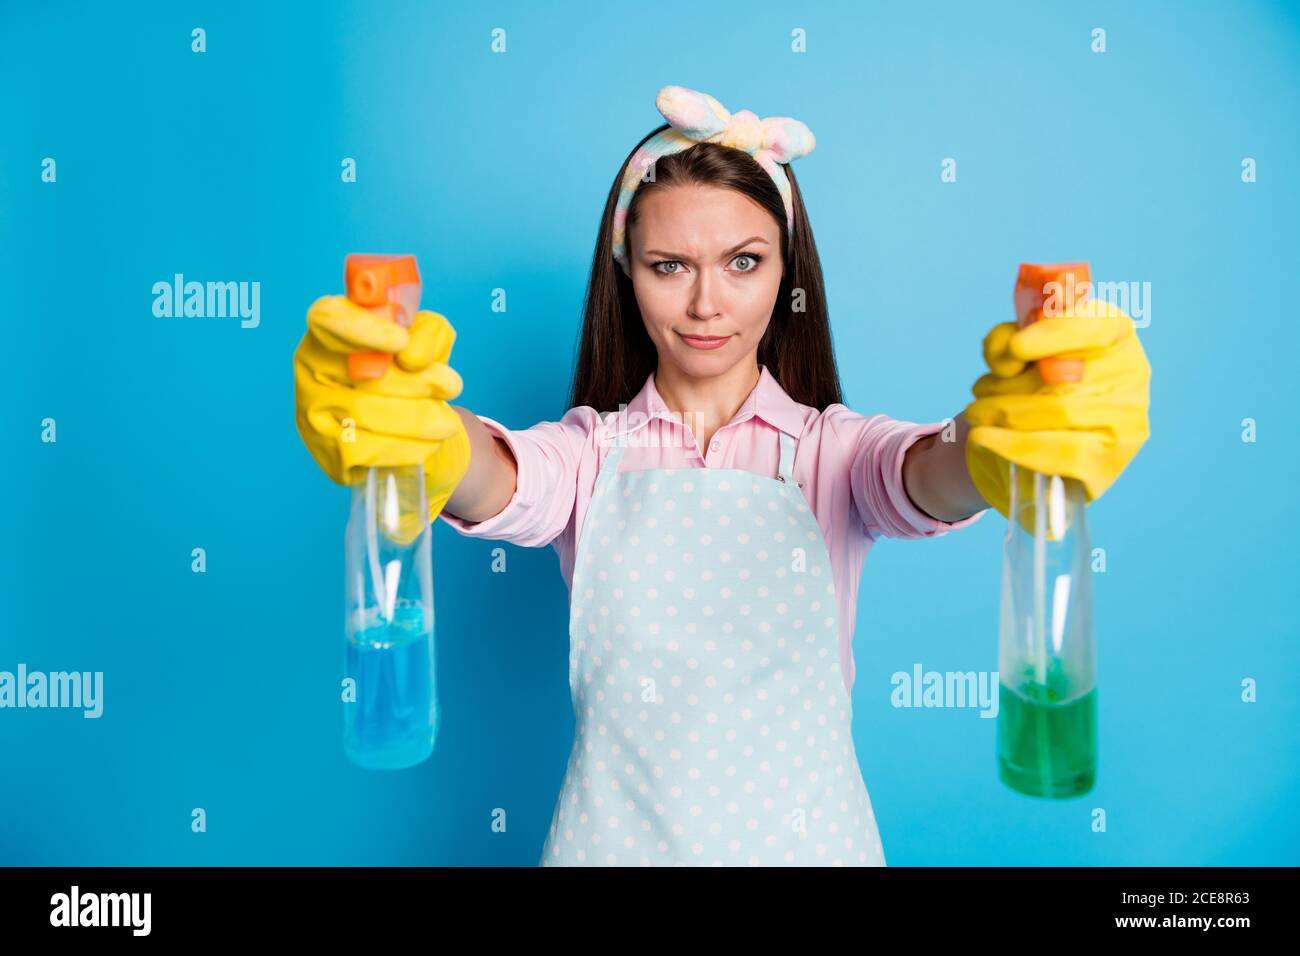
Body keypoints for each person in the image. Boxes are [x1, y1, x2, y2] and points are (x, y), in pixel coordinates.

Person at [294, 85, 1151, 866]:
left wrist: (1001, 441)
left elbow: (926, 473)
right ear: (626, 271)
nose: (708, 305)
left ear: (787, 276)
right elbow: (503, 479)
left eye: (744, 262)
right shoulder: (588, 455)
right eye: (670, 266)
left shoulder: (833, 454)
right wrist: (427, 437)